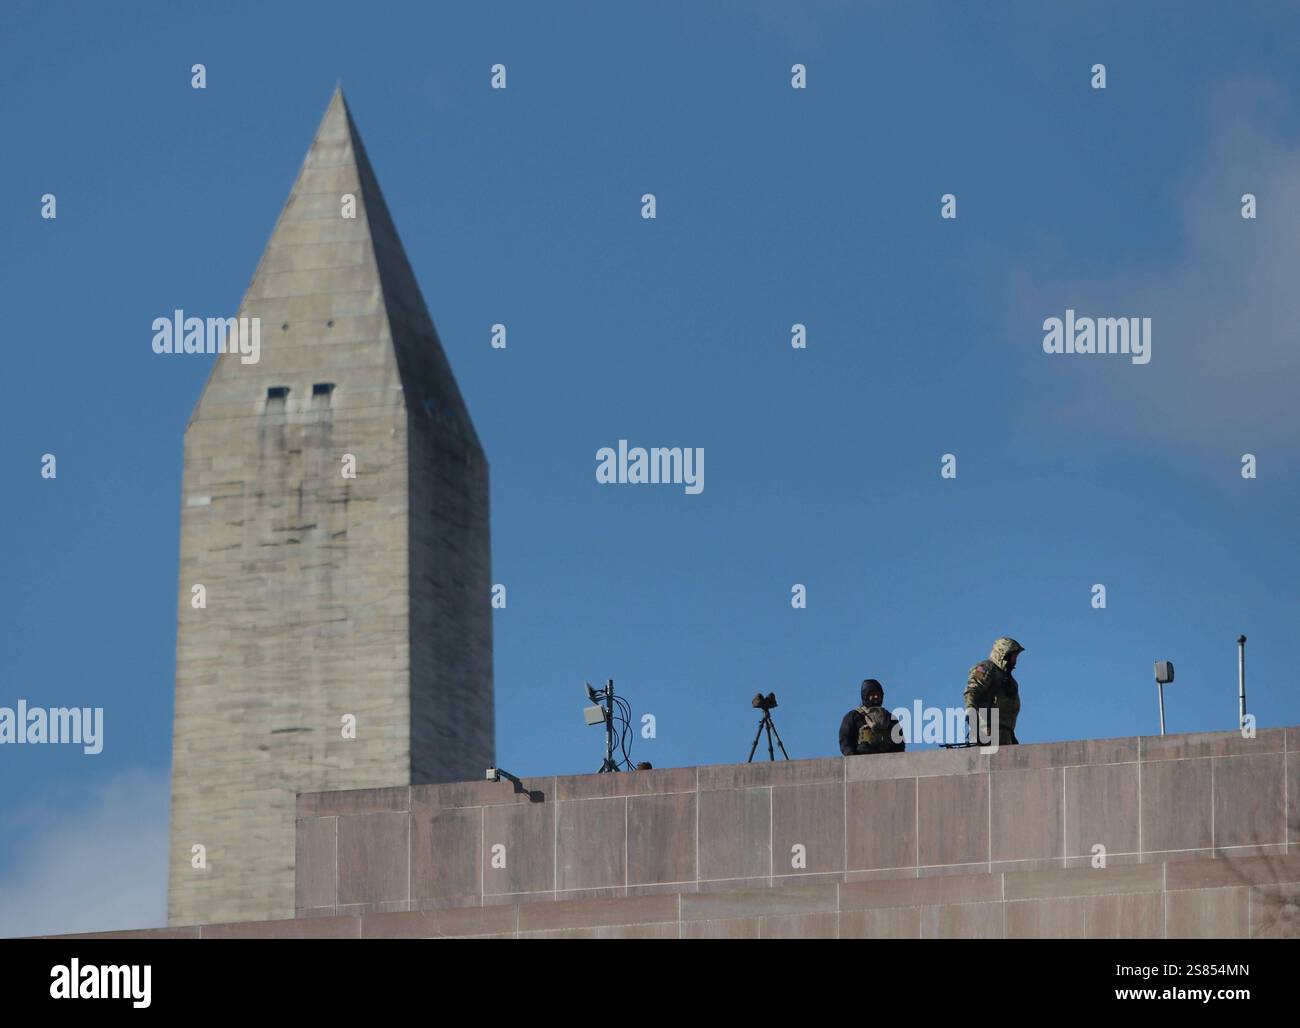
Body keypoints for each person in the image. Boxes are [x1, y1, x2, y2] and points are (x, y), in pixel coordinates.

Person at [964, 637, 1024, 745]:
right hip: (987, 730)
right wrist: (970, 709)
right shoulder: (986, 668)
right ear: (1003, 654)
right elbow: (973, 689)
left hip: (1006, 733)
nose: (1015, 661)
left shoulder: (1011, 681)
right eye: (1014, 656)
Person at [839, 679, 905, 755]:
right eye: (873, 694)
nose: (876, 696)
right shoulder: (854, 716)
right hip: (862, 760)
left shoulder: (890, 718)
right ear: (865, 696)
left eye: (878, 694)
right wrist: (852, 758)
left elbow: (899, 743)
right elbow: (845, 739)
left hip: (887, 761)